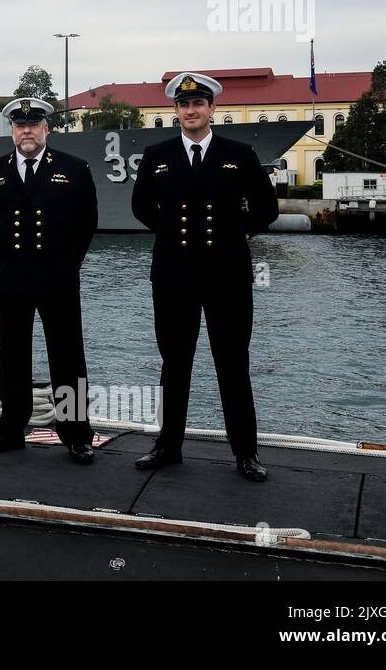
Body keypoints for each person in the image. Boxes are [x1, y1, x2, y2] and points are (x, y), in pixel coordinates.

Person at [130, 72, 279, 482]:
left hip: (226, 274)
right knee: (174, 363)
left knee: (232, 363)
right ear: (175, 110)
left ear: (213, 110)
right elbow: (141, 206)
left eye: (198, 104)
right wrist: (172, 237)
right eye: (183, 104)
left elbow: (267, 208)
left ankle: (246, 453)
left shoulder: (240, 154)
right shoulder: (157, 155)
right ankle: (168, 446)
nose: (190, 110)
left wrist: (237, 233)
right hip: (173, 274)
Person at [0, 97, 98, 462]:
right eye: (19, 125)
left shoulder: (74, 169)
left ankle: (76, 432)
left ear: (46, 128)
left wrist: (65, 263)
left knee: (68, 356)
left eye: (33, 124)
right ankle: (11, 428)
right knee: (12, 356)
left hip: (57, 278)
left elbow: (86, 224)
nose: (26, 130)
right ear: (12, 130)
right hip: (11, 277)